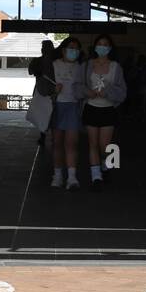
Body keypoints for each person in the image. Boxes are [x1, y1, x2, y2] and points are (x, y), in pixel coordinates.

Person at [83, 33, 127, 191]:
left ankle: (106, 164)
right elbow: (80, 85)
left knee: (105, 145)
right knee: (93, 143)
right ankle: (96, 176)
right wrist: (87, 92)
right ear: (95, 47)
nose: (102, 46)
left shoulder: (116, 67)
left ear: (109, 48)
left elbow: (122, 91)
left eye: (105, 44)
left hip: (109, 109)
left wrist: (108, 92)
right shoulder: (87, 65)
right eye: (99, 44)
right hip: (91, 108)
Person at [50, 36, 86, 191]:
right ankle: (57, 176)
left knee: (71, 143)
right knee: (57, 143)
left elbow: (85, 87)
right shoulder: (54, 65)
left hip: (73, 106)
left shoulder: (81, 67)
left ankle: (72, 177)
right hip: (56, 106)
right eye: (71, 48)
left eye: (76, 49)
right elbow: (44, 86)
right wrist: (53, 90)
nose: (74, 51)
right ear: (63, 50)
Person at [28, 39, 57, 146]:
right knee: (44, 114)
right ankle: (44, 135)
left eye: (46, 47)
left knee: (49, 114)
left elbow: (31, 71)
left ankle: (46, 135)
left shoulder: (56, 61)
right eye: (44, 47)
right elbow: (31, 71)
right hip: (43, 90)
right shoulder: (39, 61)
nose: (44, 50)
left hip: (51, 91)